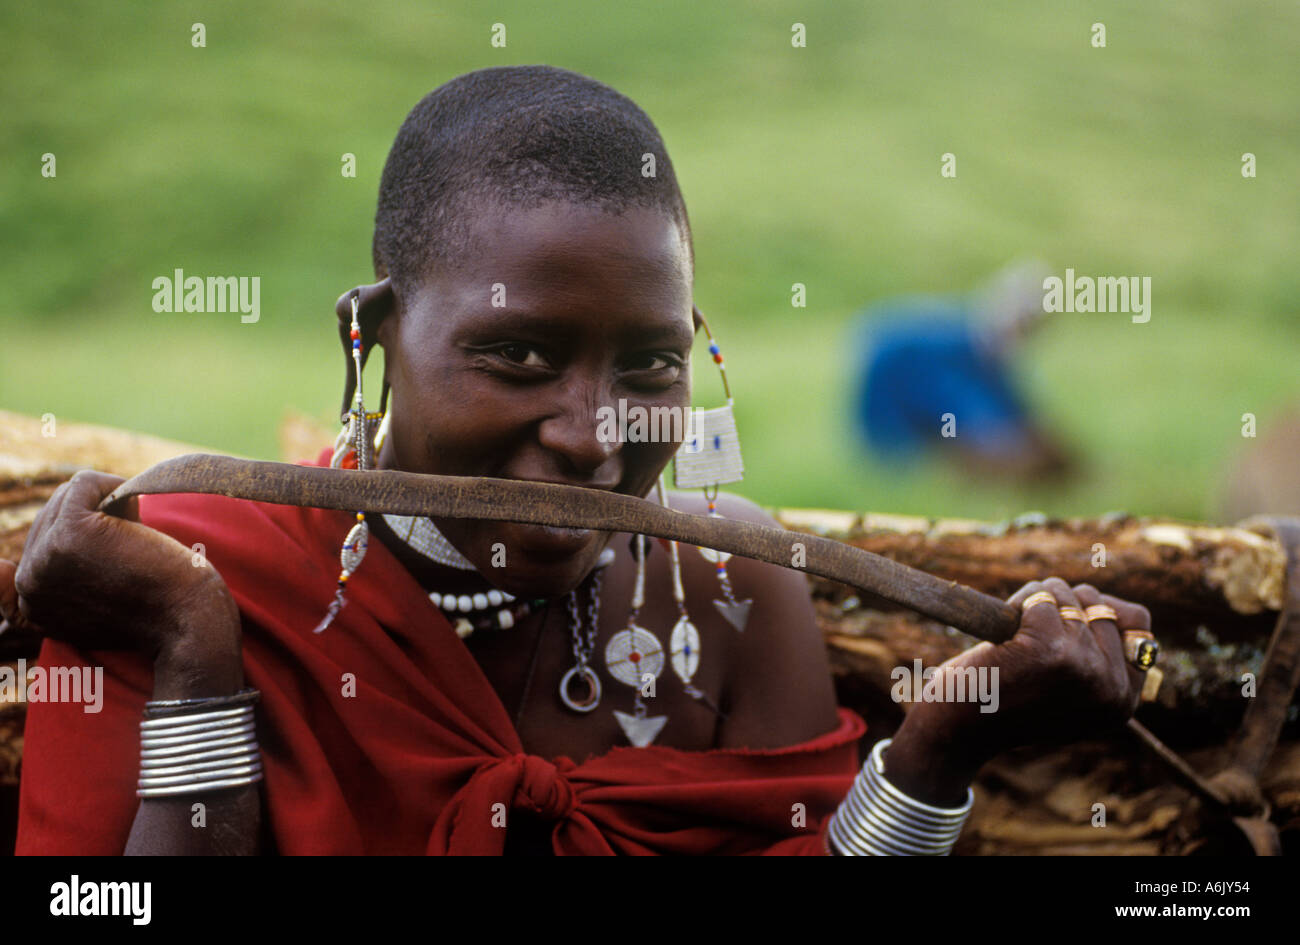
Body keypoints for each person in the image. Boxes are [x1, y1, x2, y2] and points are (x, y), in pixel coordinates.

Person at [0, 66, 1152, 855]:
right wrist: (198, 661)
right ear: (376, 336)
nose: (595, 433)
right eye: (516, 355)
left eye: (651, 366)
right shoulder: (184, 576)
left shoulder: (736, 586)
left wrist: (940, 745)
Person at [851, 262, 1075, 481]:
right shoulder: (948, 349)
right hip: (897, 445)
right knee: (1005, 452)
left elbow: (1009, 408)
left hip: (915, 428)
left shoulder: (972, 341)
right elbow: (965, 424)